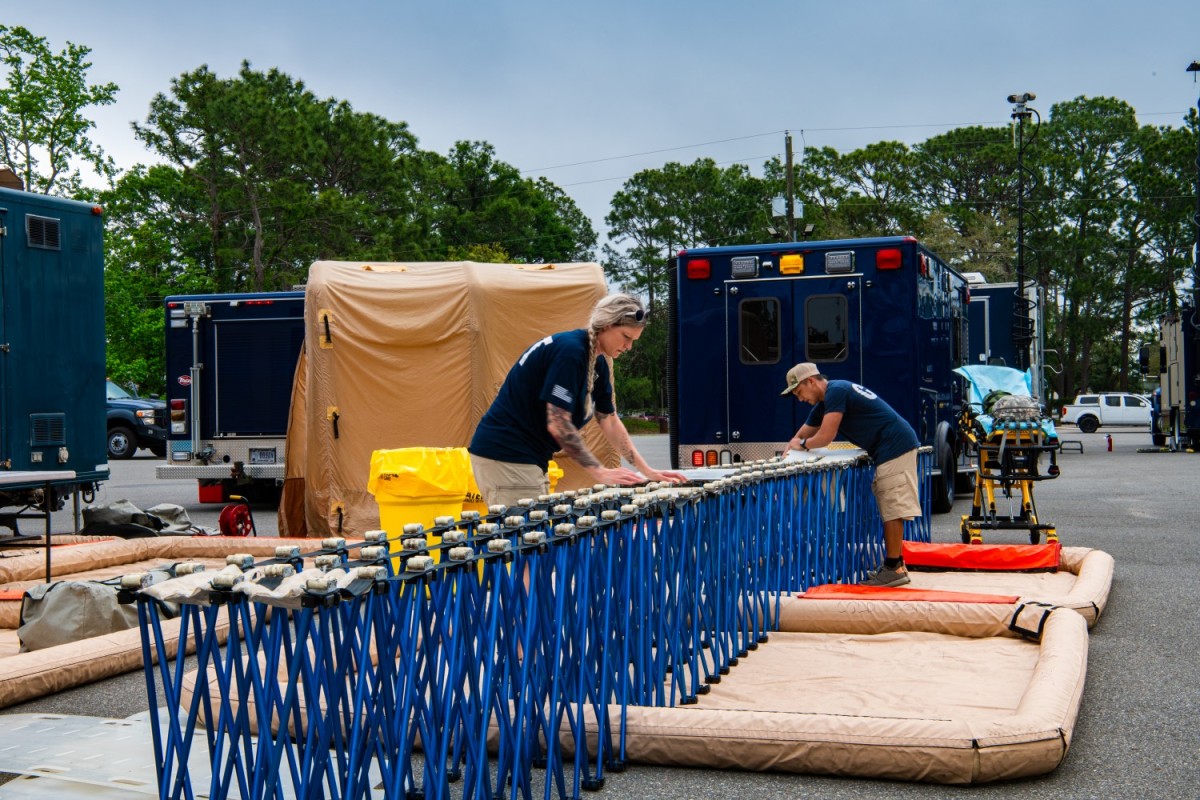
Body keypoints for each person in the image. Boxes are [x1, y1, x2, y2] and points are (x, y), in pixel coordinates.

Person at [469, 293, 688, 507]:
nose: (629, 347)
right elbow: (558, 423)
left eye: (634, 341)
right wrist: (598, 471)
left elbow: (609, 420)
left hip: (529, 458)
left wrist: (647, 470)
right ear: (606, 324)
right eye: (626, 337)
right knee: (526, 539)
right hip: (507, 455)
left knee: (538, 536)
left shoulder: (597, 362)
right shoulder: (571, 352)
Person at [780, 363, 921, 587]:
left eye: (799, 393)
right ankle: (895, 565)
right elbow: (799, 437)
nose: (800, 399)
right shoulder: (825, 402)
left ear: (811, 382)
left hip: (896, 445)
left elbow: (825, 436)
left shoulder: (836, 391)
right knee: (889, 503)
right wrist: (788, 452)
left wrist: (803, 445)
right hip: (887, 448)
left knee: (893, 506)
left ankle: (894, 568)